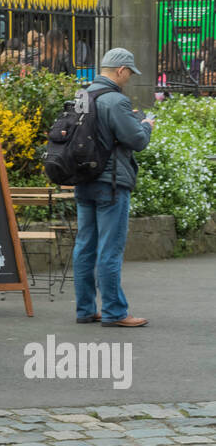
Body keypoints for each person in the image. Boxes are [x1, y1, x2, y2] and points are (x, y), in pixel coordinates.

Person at [72, 47, 154, 328]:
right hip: (111, 183)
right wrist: (146, 124)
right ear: (120, 71)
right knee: (110, 249)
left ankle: (85, 309)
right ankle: (115, 312)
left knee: (85, 246)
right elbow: (137, 141)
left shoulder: (82, 96)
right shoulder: (115, 101)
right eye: (129, 73)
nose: (128, 79)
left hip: (83, 180)